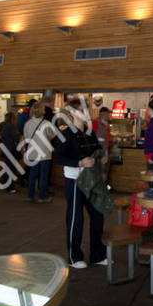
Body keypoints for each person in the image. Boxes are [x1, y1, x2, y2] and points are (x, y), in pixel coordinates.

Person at [53, 97, 107, 268]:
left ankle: (98, 255)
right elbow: (58, 157)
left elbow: (96, 150)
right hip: (75, 182)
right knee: (76, 220)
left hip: (92, 181)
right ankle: (74, 257)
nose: (87, 114)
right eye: (83, 110)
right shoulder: (65, 133)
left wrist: (101, 155)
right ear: (73, 113)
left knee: (98, 217)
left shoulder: (89, 133)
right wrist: (79, 163)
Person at [22, 101, 54, 203]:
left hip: (32, 153)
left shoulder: (27, 123)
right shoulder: (46, 124)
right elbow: (52, 136)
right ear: (42, 111)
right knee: (43, 176)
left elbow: (26, 137)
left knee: (32, 175)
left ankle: (30, 195)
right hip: (45, 153)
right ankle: (42, 197)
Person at [0, 111, 20, 193]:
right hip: (12, 150)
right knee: (12, 169)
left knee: (8, 167)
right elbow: (16, 138)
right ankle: (10, 187)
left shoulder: (2, 125)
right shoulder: (12, 127)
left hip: (5, 149)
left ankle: (5, 182)